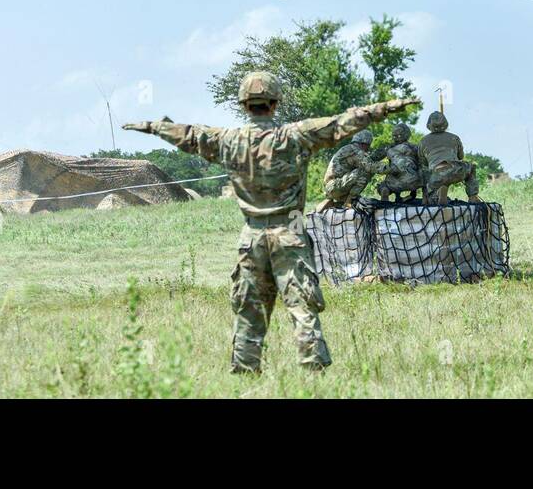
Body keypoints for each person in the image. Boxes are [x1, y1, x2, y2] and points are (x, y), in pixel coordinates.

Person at [123, 72, 416, 374]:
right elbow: (342, 123)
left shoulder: (229, 140)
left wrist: (153, 127)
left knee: (249, 311)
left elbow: (190, 136)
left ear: (243, 104)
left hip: (251, 236)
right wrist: (387, 107)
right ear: (275, 103)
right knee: (303, 307)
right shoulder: (295, 136)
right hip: (290, 233)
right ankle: (315, 373)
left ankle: (245, 374)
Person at [418, 111, 480, 206]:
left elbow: (423, 162)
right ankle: (473, 197)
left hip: (437, 173)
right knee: (471, 168)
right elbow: (460, 157)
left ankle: (437, 194)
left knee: (427, 174)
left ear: (429, 125)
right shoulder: (454, 138)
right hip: (456, 169)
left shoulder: (423, 141)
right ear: (445, 123)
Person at [317, 129, 377, 211]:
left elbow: (369, 159)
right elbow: (371, 166)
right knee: (365, 171)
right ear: (364, 143)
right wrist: (392, 168)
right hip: (335, 186)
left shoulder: (348, 149)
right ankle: (349, 202)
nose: (368, 148)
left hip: (332, 187)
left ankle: (335, 201)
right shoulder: (356, 151)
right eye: (368, 145)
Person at [375, 122, 424, 202]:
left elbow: (375, 157)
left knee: (384, 184)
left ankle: (385, 191)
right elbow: (422, 162)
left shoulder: (389, 148)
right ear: (407, 134)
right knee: (424, 177)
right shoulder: (415, 147)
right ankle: (426, 198)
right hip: (414, 181)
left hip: (394, 183)